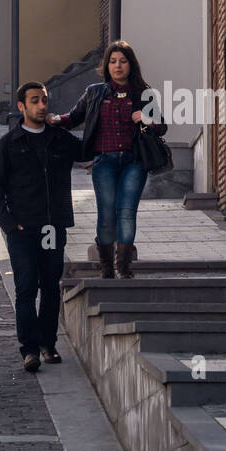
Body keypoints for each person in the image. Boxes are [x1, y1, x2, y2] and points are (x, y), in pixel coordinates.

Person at [0, 82, 81, 373]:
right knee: (26, 288)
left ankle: (48, 344)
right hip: (22, 229)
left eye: (44, 100)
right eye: (35, 101)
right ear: (21, 107)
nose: (42, 105)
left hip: (52, 228)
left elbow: (89, 149)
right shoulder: (10, 143)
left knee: (51, 288)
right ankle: (29, 349)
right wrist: (8, 223)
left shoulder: (60, 139)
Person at [57, 40, 167, 280]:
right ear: (107, 65)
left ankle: (124, 267)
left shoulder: (143, 93)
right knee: (106, 215)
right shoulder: (95, 92)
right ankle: (106, 268)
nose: (118, 66)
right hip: (104, 162)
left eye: (123, 61)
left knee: (126, 213)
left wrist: (146, 119)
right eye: (113, 61)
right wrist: (54, 120)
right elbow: (74, 117)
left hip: (134, 162)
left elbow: (162, 126)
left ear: (131, 65)